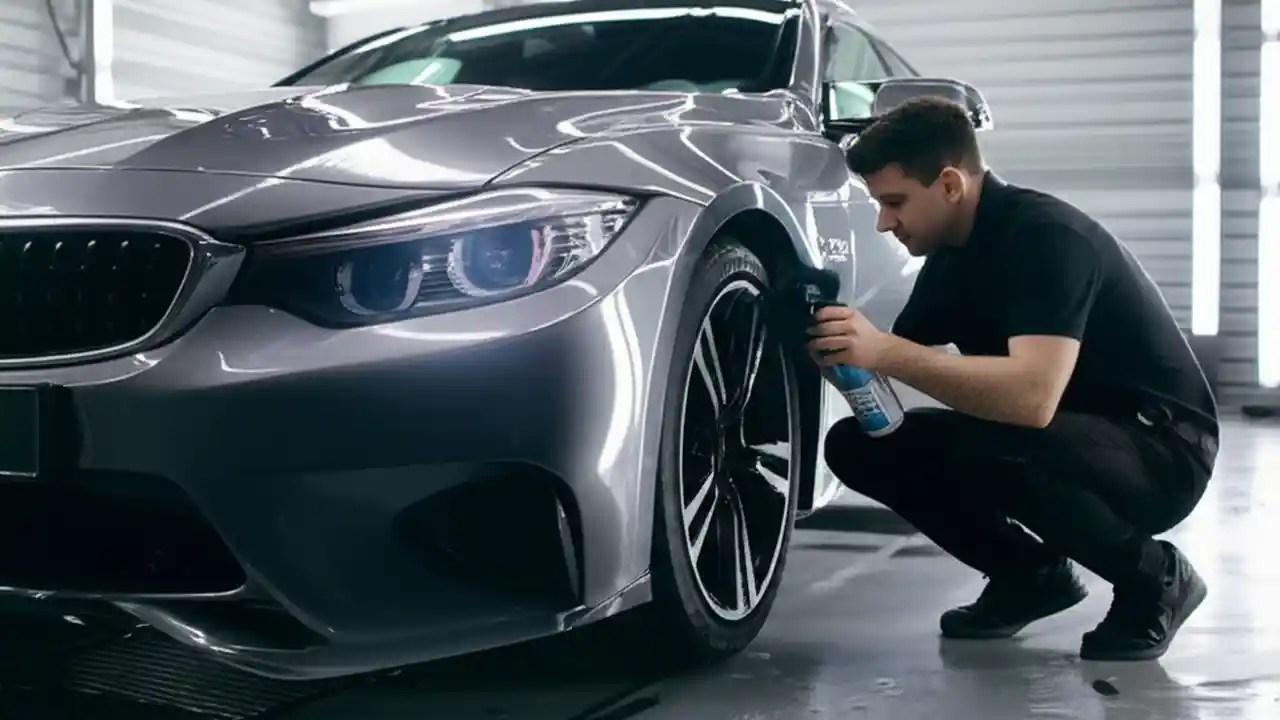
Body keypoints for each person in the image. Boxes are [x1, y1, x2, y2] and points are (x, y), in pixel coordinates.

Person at [807, 97, 1219, 661]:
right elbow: (900, 363)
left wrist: (885, 351)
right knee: (861, 447)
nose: (884, 221)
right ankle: (1029, 576)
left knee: (1008, 445)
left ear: (950, 184)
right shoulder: (951, 257)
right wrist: (848, 362)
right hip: (1054, 437)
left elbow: (1030, 399)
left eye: (894, 202)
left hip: (1161, 450)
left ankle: (1156, 577)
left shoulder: (1045, 237)